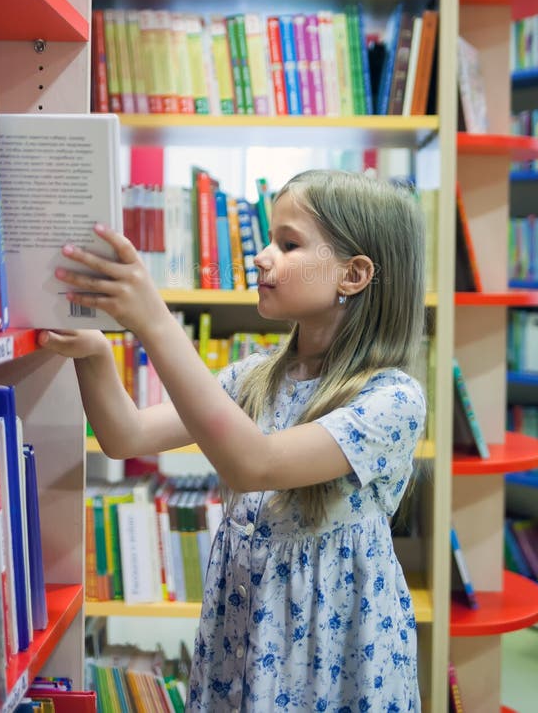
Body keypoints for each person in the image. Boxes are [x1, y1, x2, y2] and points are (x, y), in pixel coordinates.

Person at [38, 168, 427, 712]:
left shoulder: (393, 400)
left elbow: (256, 464)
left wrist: (154, 322)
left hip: (332, 649)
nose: (261, 257)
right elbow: (125, 435)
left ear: (354, 274)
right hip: (243, 635)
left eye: (288, 244)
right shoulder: (256, 377)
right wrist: (96, 352)